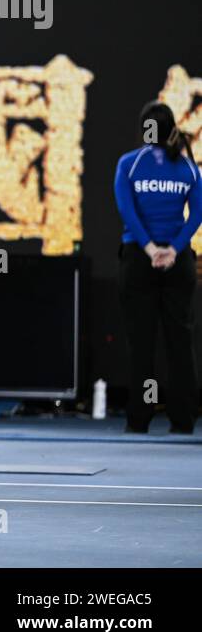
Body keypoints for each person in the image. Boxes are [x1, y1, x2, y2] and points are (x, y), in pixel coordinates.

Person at [113, 101, 200, 434]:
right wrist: (174, 249)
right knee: (180, 342)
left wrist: (151, 249)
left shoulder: (129, 164)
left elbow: (126, 211)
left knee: (142, 343)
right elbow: (197, 215)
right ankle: (183, 421)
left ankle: (139, 419)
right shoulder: (189, 169)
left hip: (140, 260)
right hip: (176, 263)